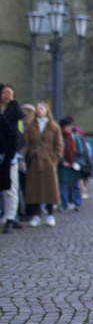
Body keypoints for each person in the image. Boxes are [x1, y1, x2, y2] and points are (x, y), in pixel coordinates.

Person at [23, 103, 62, 227]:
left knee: (50, 187)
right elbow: (25, 144)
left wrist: (54, 158)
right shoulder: (31, 127)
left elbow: (59, 145)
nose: (39, 110)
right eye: (38, 108)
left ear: (46, 110)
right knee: (34, 188)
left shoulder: (54, 127)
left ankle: (50, 214)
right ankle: (36, 214)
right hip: (34, 161)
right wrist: (25, 158)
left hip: (48, 161)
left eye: (42, 108)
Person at [1, 84, 26, 232]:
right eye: (4, 92)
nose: (6, 95)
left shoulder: (14, 111)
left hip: (9, 153)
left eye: (10, 93)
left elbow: (18, 134)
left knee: (11, 188)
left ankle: (11, 218)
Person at [57, 116, 83, 212]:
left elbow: (80, 151)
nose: (68, 128)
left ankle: (77, 203)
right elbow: (58, 150)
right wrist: (63, 161)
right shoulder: (60, 137)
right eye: (66, 127)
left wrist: (75, 162)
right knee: (63, 185)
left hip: (74, 165)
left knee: (76, 185)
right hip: (64, 166)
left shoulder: (75, 137)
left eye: (69, 126)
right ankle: (64, 204)